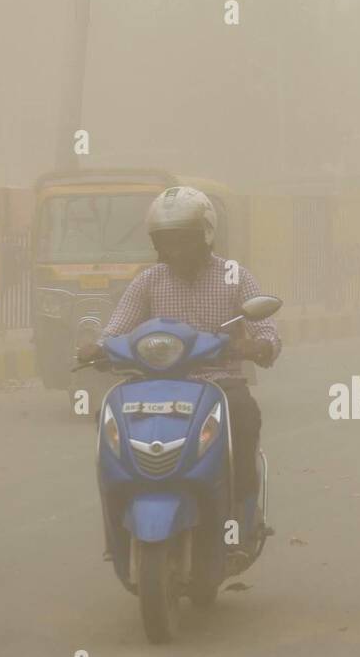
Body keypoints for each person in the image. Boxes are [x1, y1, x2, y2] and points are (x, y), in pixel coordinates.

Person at [78, 186, 279, 513]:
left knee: (244, 417)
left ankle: (241, 510)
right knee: (109, 418)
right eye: (167, 240)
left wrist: (258, 345)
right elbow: (117, 327)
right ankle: (120, 505)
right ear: (157, 244)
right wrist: (98, 348)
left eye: (184, 239)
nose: (176, 249)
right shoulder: (148, 281)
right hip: (154, 383)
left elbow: (266, 331)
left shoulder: (234, 276)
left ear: (206, 235)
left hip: (218, 383)